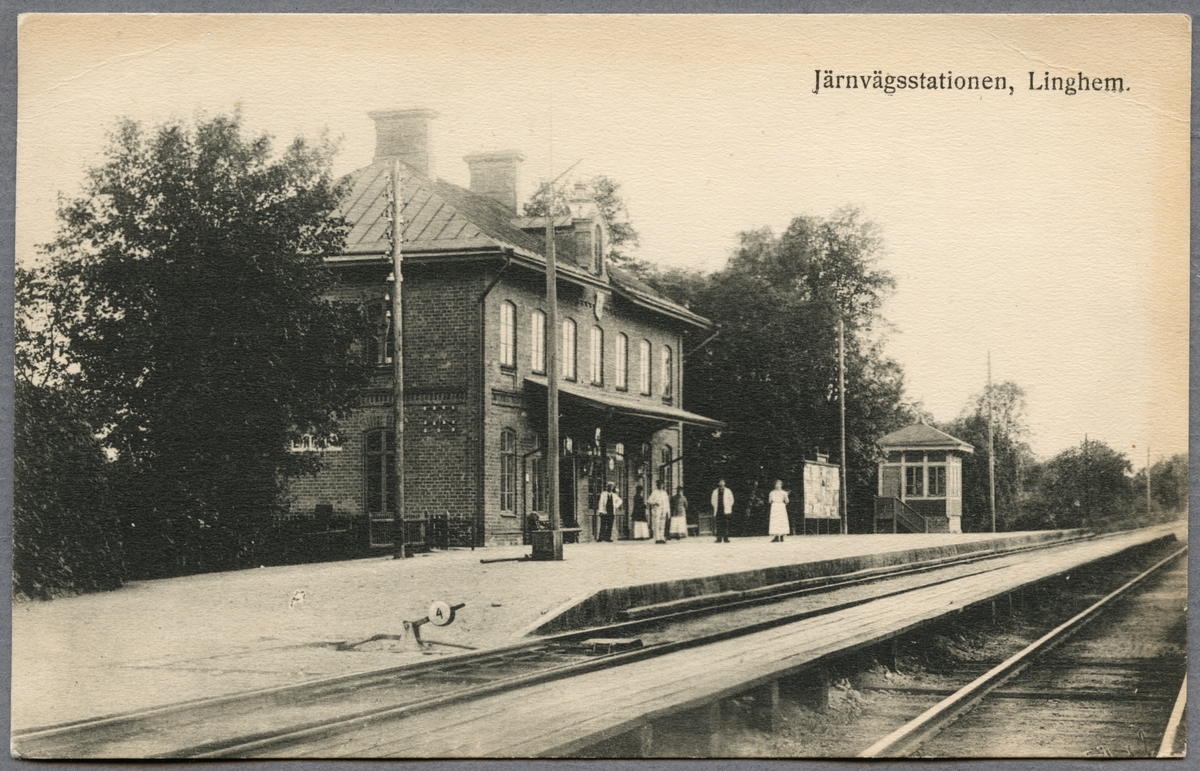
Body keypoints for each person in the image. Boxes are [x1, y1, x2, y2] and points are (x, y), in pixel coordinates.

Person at [648, 479, 671, 544]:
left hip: (663, 510)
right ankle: (657, 538)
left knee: (662, 525)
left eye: (662, 484)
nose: (660, 485)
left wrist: (668, 512)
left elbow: (667, 503)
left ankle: (661, 538)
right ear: (657, 485)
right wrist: (655, 502)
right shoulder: (654, 492)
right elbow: (649, 501)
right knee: (657, 524)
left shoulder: (664, 493)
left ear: (663, 485)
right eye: (659, 484)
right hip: (657, 510)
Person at [711, 479, 734, 543]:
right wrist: (715, 506)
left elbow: (731, 500)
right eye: (720, 482)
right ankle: (719, 539)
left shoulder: (728, 491)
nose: (721, 484)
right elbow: (712, 500)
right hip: (718, 510)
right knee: (718, 525)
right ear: (718, 483)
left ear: (724, 483)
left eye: (722, 482)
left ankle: (726, 539)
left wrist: (728, 506)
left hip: (726, 510)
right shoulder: (715, 491)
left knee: (725, 525)